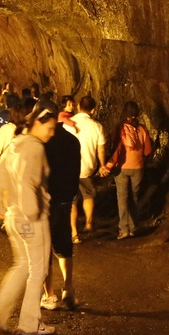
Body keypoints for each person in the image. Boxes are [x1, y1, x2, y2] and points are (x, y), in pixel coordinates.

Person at [0, 99, 61, 335]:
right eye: (50, 128)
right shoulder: (35, 148)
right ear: (38, 122)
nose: (52, 133)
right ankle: (29, 323)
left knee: (22, 266)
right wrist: (33, 214)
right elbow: (28, 183)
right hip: (31, 219)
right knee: (38, 269)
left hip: (13, 216)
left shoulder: (16, 143)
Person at [42, 115, 82, 310]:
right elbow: (76, 172)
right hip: (64, 200)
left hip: (44, 201)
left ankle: (49, 295)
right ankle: (68, 287)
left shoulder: (41, 142)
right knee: (64, 244)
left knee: (44, 248)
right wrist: (72, 194)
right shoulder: (72, 141)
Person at [100, 101, 153, 239]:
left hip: (121, 168)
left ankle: (123, 230)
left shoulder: (121, 129)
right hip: (138, 168)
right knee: (134, 198)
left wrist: (108, 166)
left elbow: (117, 149)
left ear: (125, 113)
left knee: (122, 199)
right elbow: (147, 151)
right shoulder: (142, 129)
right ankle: (133, 228)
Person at [69, 95, 105, 243]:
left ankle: (74, 233)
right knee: (88, 195)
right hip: (87, 167)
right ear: (93, 110)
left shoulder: (68, 124)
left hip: (70, 168)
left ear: (78, 106)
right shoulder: (97, 126)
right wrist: (102, 165)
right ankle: (89, 223)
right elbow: (101, 149)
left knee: (72, 201)